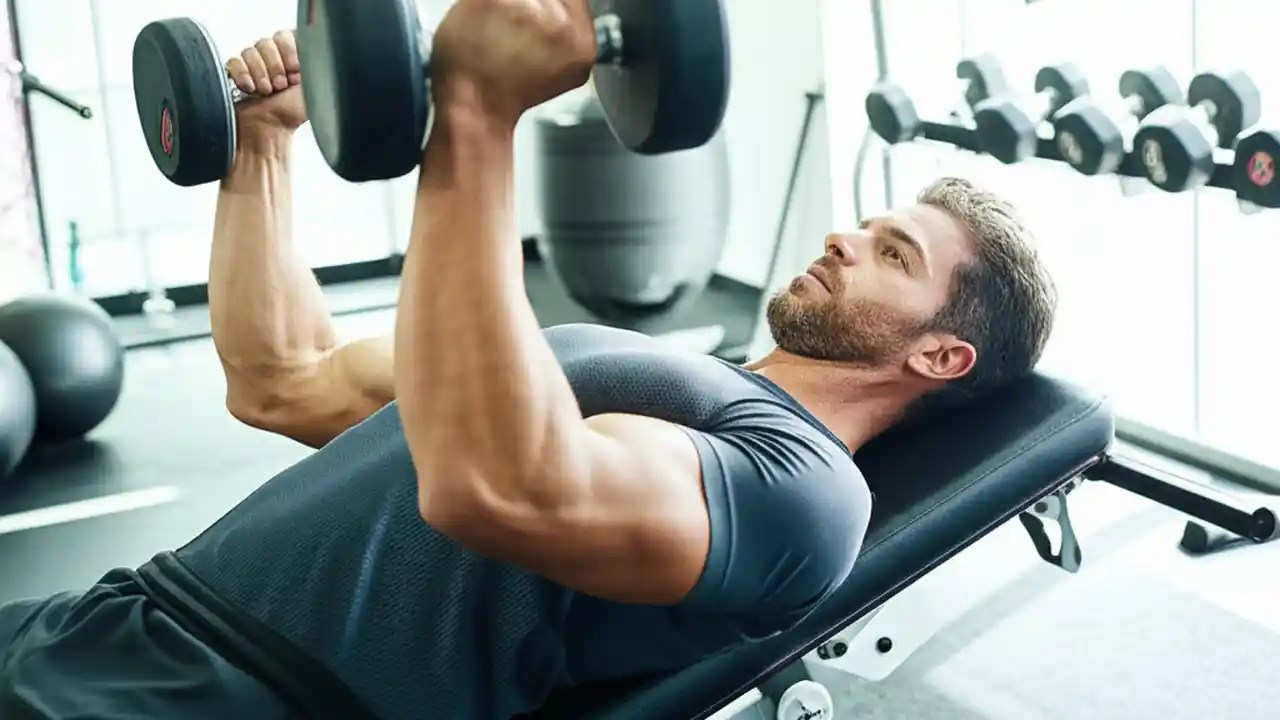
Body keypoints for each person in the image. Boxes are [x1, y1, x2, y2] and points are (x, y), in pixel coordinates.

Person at [0, 5, 1056, 720]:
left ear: (940, 352)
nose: (842, 240)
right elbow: (282, 375)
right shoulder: (613, 364)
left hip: (216, 700)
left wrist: (472, 112)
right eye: (863, 225)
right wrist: (263, 148)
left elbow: (497, 486)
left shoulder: (805, 497)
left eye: (890, 255)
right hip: (109, 619)